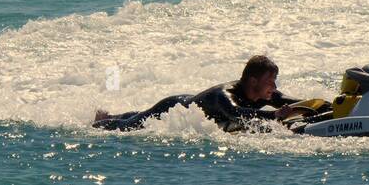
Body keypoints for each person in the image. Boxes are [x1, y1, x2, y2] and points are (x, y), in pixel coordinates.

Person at [92, 54, 304, 132]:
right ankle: (102, 122)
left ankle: (111, 114)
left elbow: (288, 101)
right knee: (129, 126)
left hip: (189, 98)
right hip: (173, 108)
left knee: (139, 115)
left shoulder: (263, 93)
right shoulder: (225, 96)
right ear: (253, 81)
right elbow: (236, 114)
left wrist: (324, 105)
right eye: (270, 82)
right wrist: (274, 115)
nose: (274, 87)